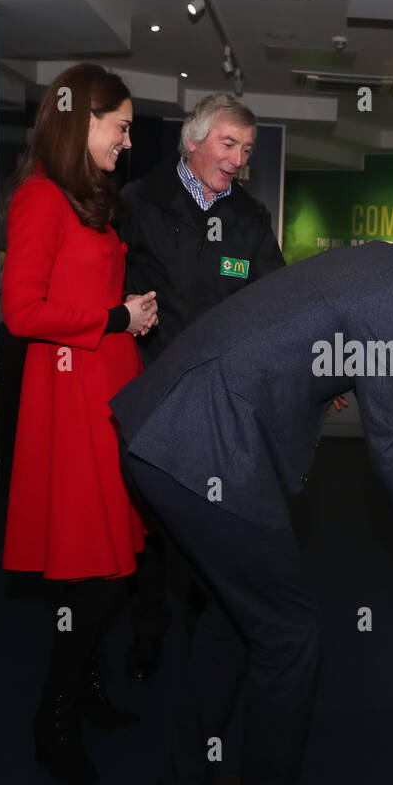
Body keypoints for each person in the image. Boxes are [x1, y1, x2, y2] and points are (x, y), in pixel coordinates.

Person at [110, 211, 393, 785]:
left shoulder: (384, 267)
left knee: (234, 621)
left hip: (166, 436)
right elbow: (388, 436)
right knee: (289, 635)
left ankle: (184, 778)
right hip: (204, 450)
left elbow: (390, 419)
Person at [1, 63, 157, 785]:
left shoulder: (88, 200)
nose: (127, 141)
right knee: (92, 576)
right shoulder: (39, 199)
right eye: (120, 127)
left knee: (111, 566)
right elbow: (22, 311)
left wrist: (125, 311)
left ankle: (89, 693)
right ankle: (50, 719)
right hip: (72, 401)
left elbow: (81, 292)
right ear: (81, 120)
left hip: (109, 389)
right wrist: (115, 316)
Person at [118, 93, 286, 680]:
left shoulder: (250, 219)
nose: (238, 159)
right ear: (194, 142)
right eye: (228, 144)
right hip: (153, 387)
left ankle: (205, 639)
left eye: (245, 149)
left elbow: (276, 301)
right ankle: (147, 638)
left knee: (210, 517)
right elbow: (108, 285)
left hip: (221, 400)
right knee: (154, 523)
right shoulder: (139, 203)